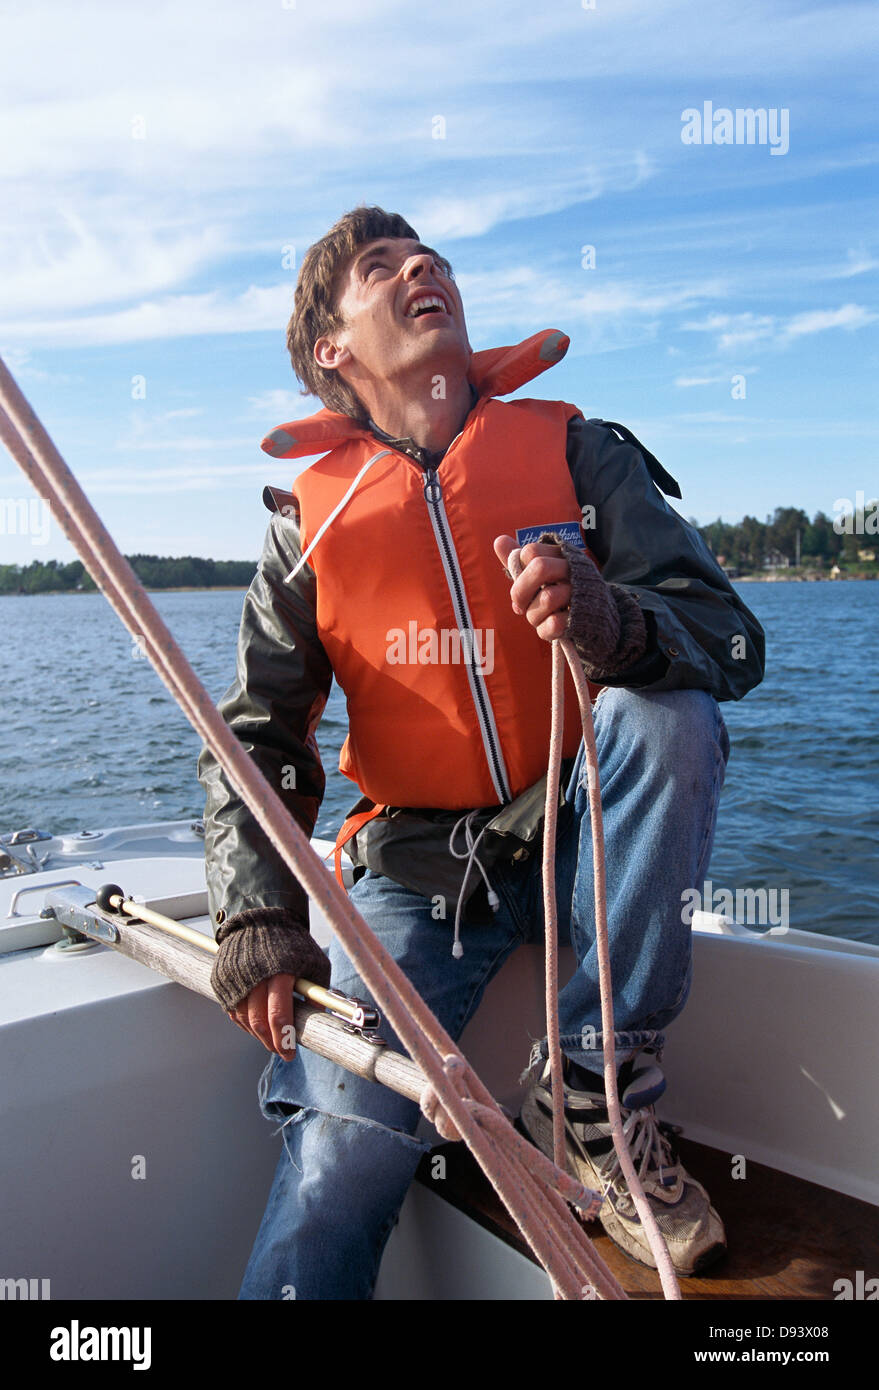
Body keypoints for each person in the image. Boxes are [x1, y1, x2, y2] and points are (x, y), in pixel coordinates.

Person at [198, 205, 765, 1299]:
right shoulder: (306, 529)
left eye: (434, 258)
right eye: (382, 266)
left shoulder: (577, 452)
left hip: (582, 827)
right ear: (331, 349)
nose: (424, 266)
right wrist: (257, 915)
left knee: (669, 713)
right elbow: (258, 735)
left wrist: (616, 623)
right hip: (420, 875)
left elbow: (733, 641)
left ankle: (592, 1093)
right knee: (335, 1160)